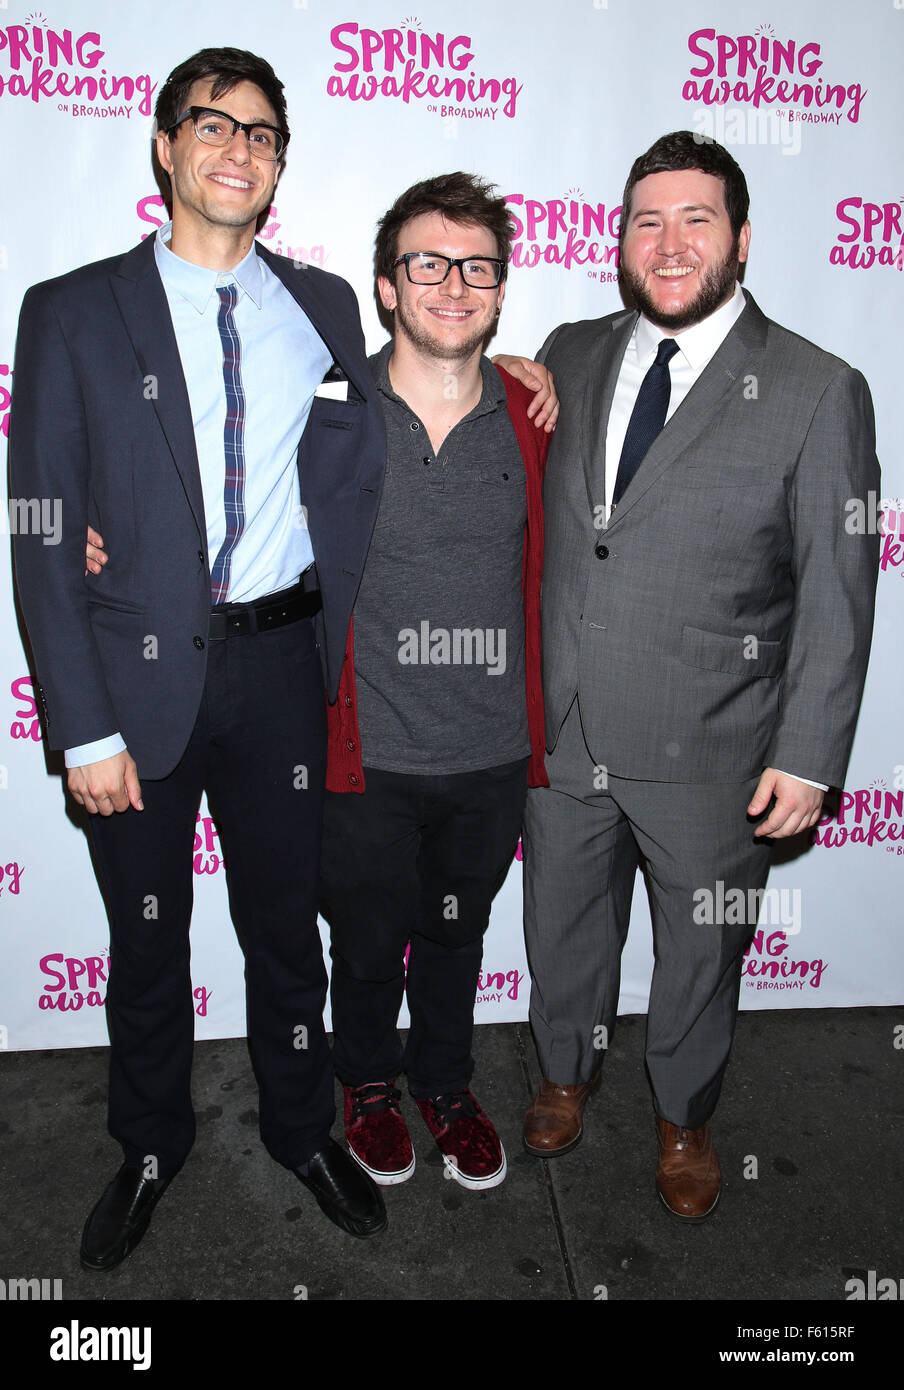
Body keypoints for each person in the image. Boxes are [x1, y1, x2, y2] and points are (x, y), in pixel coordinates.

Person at [9, 46, 391, 1267]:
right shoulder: (71, 309)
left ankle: (300, 1126)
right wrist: (82, 724)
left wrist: (529, 373)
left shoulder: (326, 306)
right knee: (148, 932)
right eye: (213, 125)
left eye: (263, 133)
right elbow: (43, 530)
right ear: (165, 146)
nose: (239, 148)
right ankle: (151, 1143)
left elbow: (397, 415)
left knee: (288, 928)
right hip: (134, 682)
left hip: (283, 670)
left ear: (280, 165)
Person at [507, 131, 880, 1220]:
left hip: (715, 747)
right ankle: (565, 1072)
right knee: (562, 928)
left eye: (695, 219)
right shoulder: (565, 354)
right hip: (566, 731)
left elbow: (837, 594)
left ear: (743, 239)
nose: (668, 245)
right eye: (645, 220)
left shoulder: (818, 388)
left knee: (700, 953)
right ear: (619, 239)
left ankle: (683, 1113)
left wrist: (808, 756)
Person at [318, 173, 550, 1191]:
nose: (451, 283)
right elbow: (218, 500)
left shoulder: (536, 415)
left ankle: (444, 1083)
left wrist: (546, 378)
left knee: (455, 938)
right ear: (385, 286)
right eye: (427, 263)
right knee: (367, 942)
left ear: (499, 289)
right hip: (369, 751)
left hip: (490, 752)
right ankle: (365, 1082)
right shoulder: (328, 410)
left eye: (475, 267)